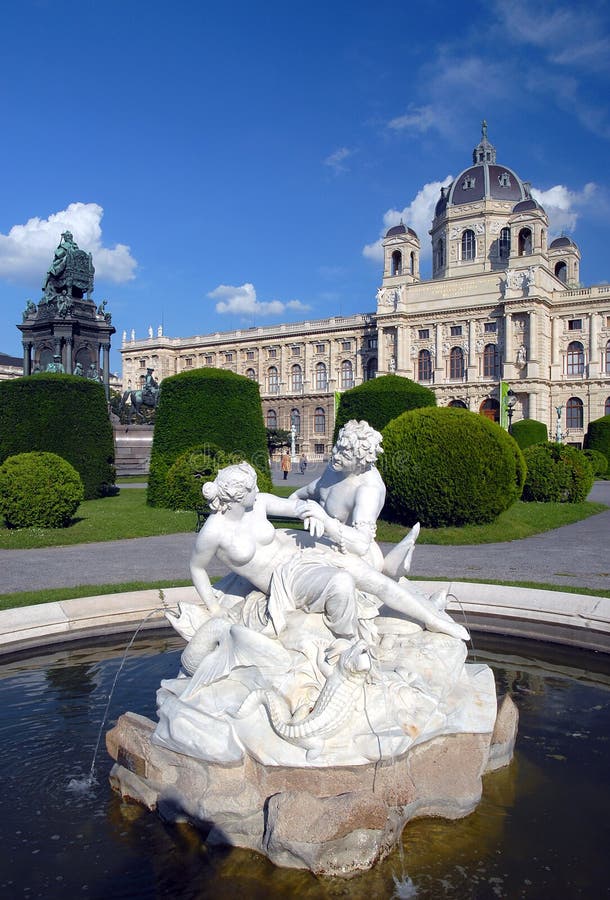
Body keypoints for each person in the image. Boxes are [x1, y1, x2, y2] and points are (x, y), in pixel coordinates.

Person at [189, 462, 468, 643]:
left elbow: (294, 507)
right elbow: (197, 568)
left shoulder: (258, 503)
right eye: (251, 488)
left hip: (302, 551)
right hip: (287, 579)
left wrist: (313, 513)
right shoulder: (215, 532)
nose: (258, 490)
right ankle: (348, 641)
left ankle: (434, 619)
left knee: (374, 578)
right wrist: (214, 609)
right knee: (342, 583)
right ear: (237, 495)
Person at [292, 420, 412, 579]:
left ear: (361, 460)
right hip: (322, 547)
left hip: (355, 559)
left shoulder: (369, 488)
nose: (336, 456)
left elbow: (362, 544)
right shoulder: (335, 470)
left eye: (345, 454)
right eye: (337, 448)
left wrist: (323, 520)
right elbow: (301, 494)